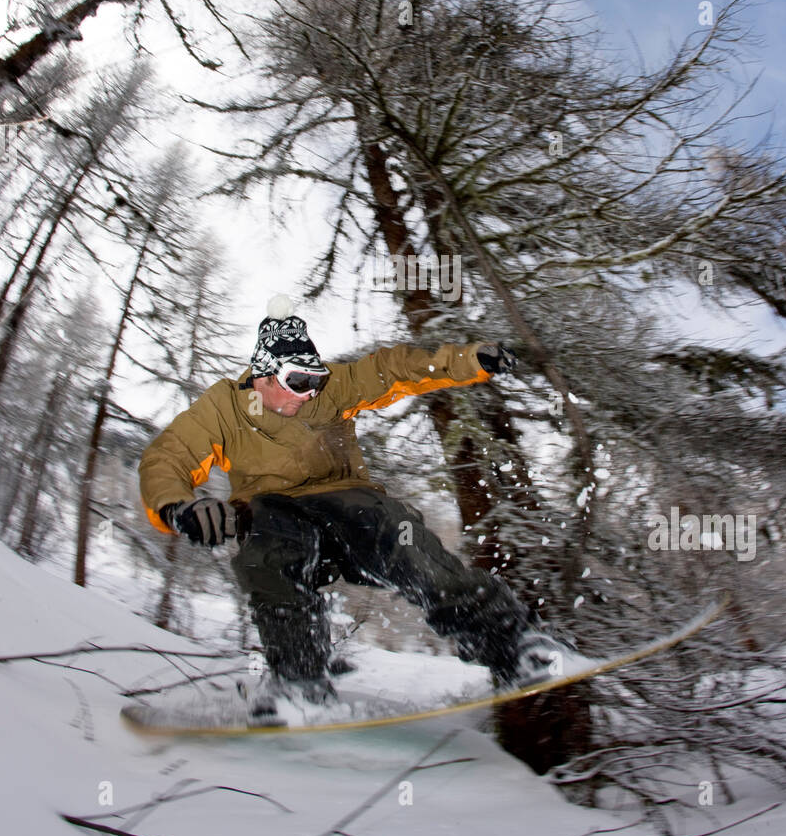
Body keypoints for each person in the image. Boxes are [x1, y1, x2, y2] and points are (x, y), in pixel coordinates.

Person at [138, 296, 566, 716]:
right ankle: (299, 679)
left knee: (403, 539)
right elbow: (169, 456)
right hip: (273, 509)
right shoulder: (225, 406)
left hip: (345, 500)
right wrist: (178, 506)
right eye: (299, 383)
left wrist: (470, 360)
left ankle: (511, 642)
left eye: (315, 381)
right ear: (264, 376)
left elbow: (394, 368)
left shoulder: (333, 389)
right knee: (270, 555)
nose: (309, 393)